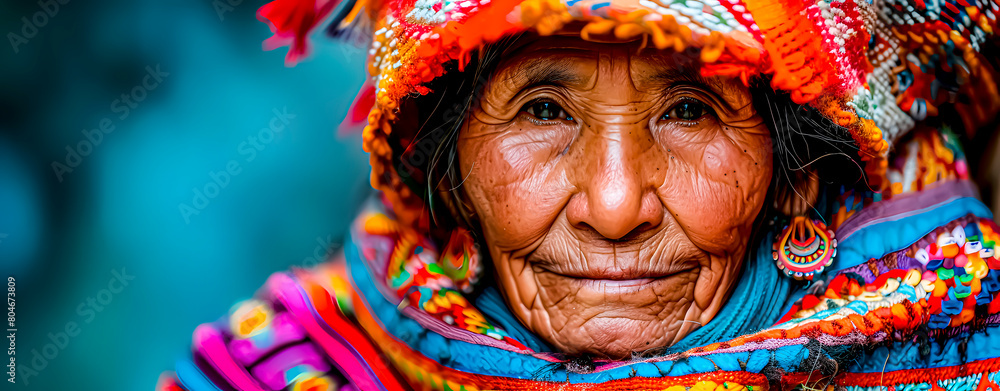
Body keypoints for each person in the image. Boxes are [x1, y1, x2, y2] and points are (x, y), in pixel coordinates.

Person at [158, 0, 1000, 389]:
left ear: (797, 177)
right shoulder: (291, 367)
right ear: (448, 172)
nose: (613, 203)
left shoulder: (962, 347)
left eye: (689, 110)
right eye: (543, 110)